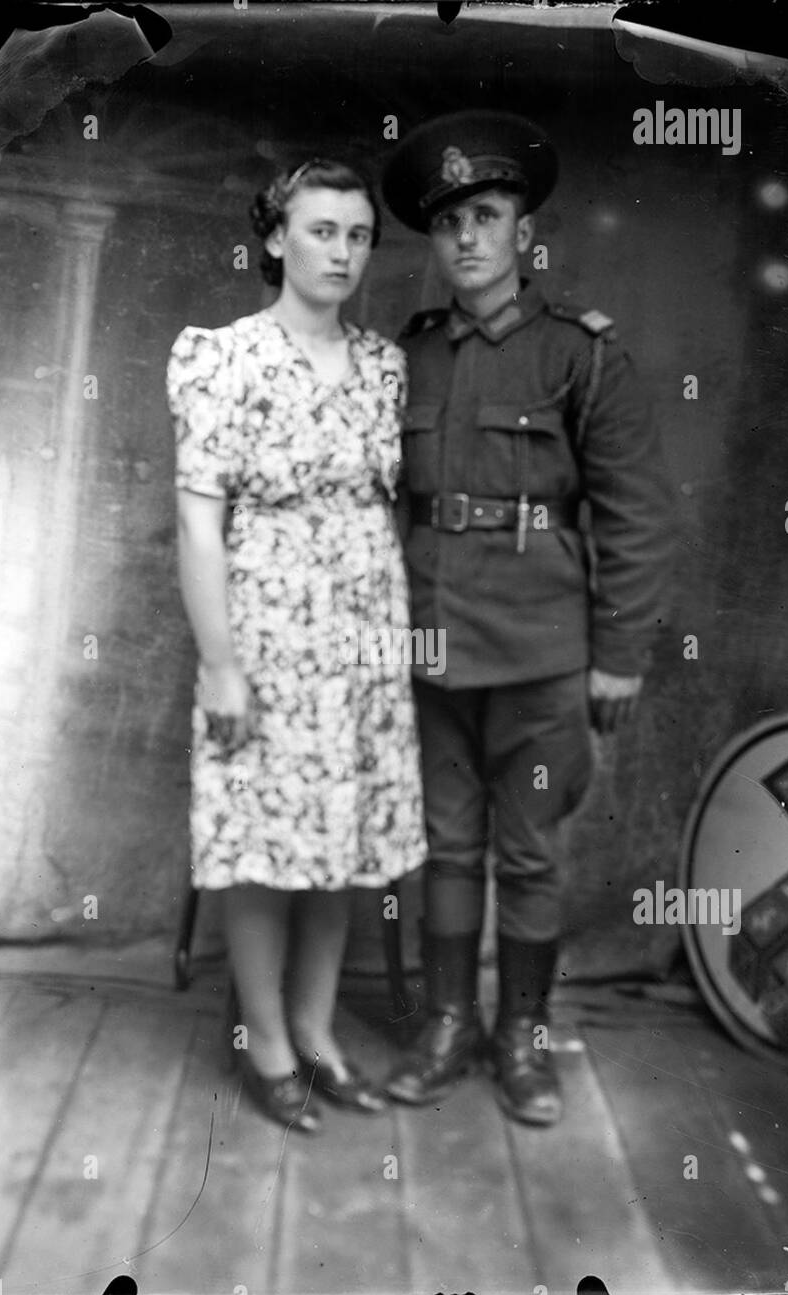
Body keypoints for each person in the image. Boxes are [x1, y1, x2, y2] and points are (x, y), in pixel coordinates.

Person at [380, 111, 675, 1125]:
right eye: (449, 218)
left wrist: (620, 658)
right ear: (434, 235)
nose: (467, 236)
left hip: (546, 656)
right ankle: (448, 1024)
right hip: (429, 652)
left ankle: (523, 1039)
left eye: (487, 214)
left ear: (521, 233)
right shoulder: (405, 359)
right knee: (446, 848)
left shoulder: (579, 358)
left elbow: (637, 515)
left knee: (531, 855)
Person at [167, 159, 426, 1135]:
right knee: (261, 846)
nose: (342, 252)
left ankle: (317, 1033)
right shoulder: (219, 357)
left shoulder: (384, 364)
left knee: (342, 841)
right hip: (263, 635)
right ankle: (267, 1045)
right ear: (276, 238)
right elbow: (198, 528)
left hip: (361, 639)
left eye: (357, 235)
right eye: (321, 230)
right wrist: (222, 664)